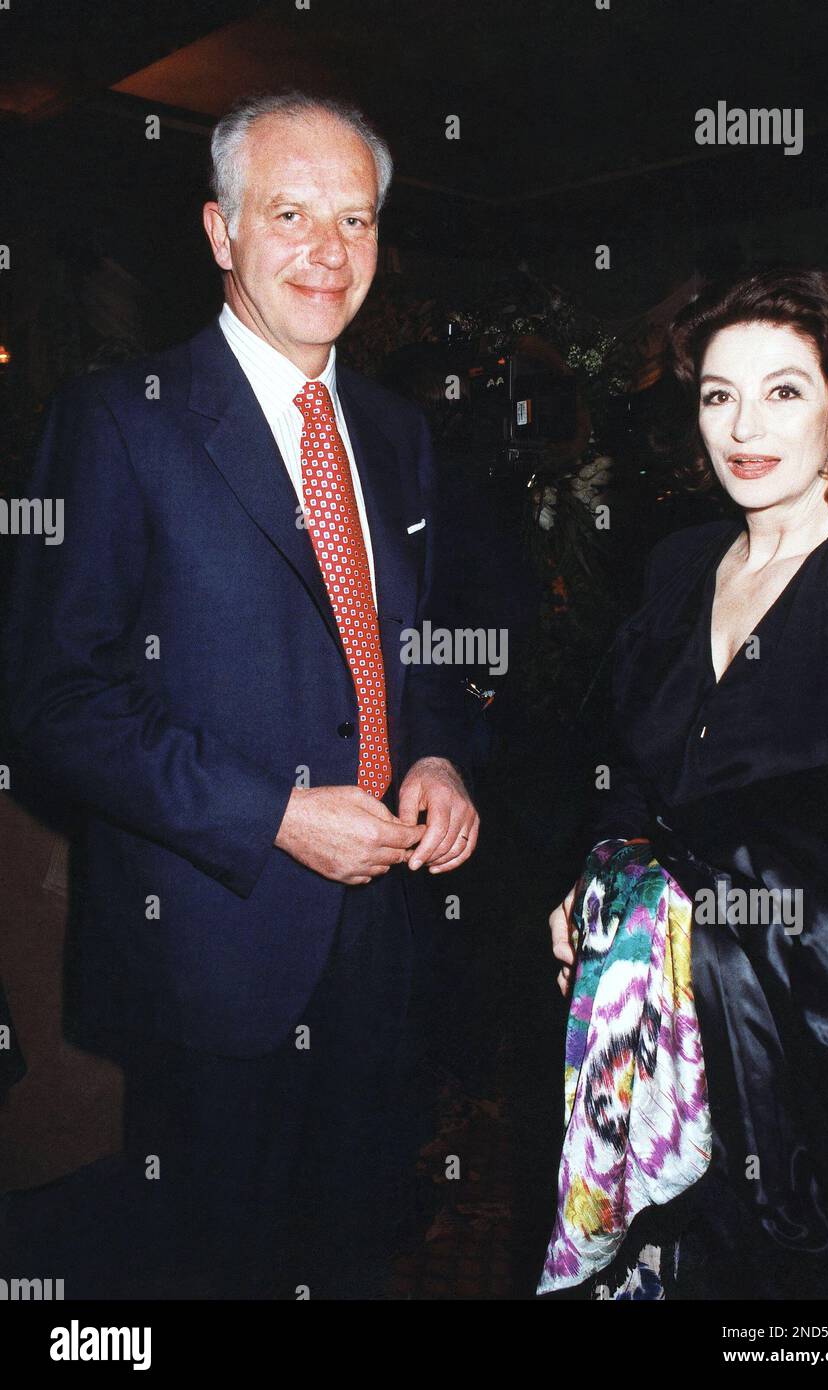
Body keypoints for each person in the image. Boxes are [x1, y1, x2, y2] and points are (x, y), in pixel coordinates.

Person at [1, 89, 478, 1300]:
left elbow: (408, 647)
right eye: (291, 213)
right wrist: (273, 809)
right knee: (210, 1267)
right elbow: (54, 701)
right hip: (210, 942)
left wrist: (436, 757)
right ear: (220, 232)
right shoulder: (118, 422)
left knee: (354, 1242)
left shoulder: (395, 430)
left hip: (381, 936)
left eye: (357, 220)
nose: (329, 250)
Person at [547, 266, 828, 1299]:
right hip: (657, 1035)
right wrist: (601, 872)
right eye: (717, 393)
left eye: (783, 391)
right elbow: (623, 763)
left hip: (819, 1047)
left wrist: (696, 894)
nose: (742, 425)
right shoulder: (676, 564)